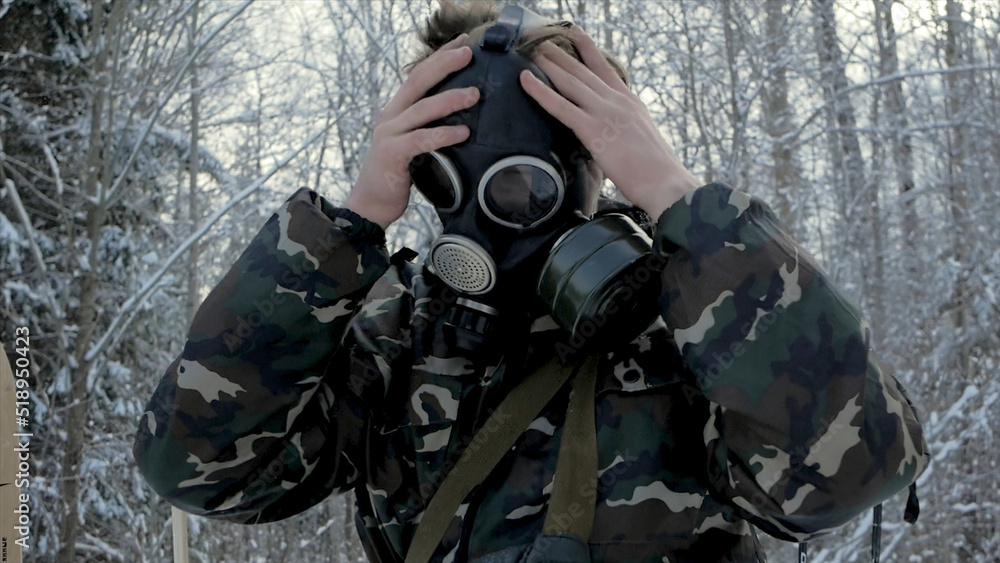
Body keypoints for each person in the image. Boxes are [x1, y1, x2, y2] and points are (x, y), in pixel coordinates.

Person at [133, 2, 928, 561]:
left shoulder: (693, 332)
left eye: (521, 188)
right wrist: (346, 228)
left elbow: (851, 470)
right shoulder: (390, 344)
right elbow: (194, 464)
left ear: (592, 174)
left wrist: (685, 205)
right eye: (450, 183)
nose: (487, 221)